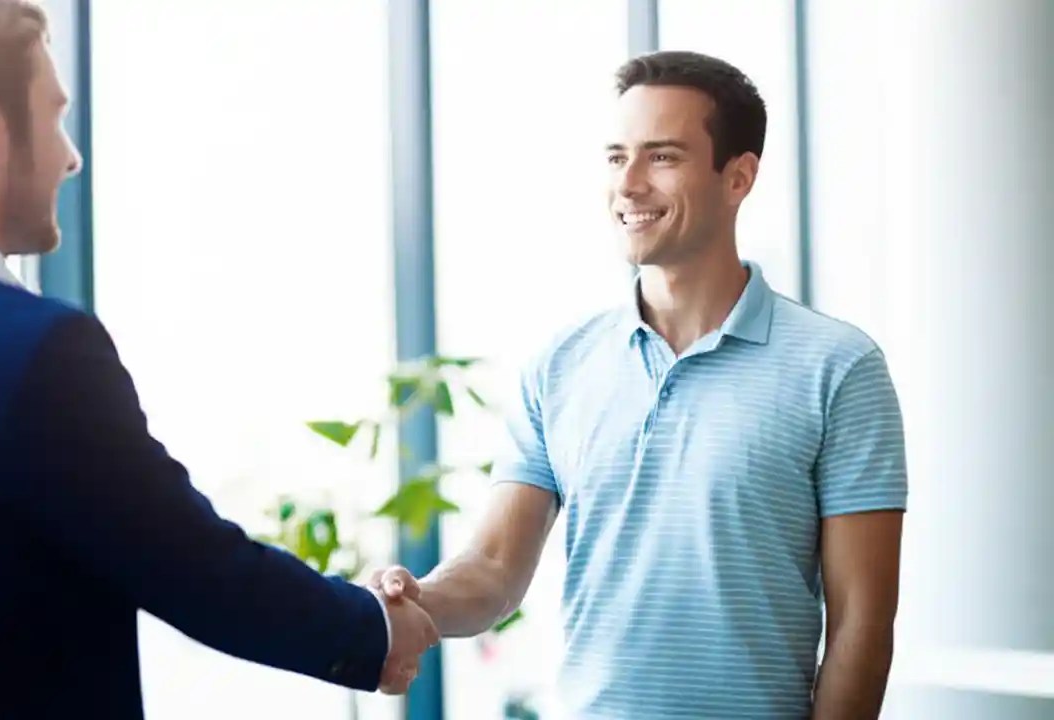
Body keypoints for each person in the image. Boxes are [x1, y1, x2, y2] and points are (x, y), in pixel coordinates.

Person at [0, 1, 436, 718]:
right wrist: (373, 631)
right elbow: (194, 567)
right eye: (54, 115)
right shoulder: (33, 350)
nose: (70, 155)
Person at [372, 50, 908, 719]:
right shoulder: (560, 364)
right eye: (615, 156)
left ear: (738, 177)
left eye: (661, 156)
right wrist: (417, 601)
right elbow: (492, 571)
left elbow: (861, 625)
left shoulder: (839, 368)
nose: (628, 184)